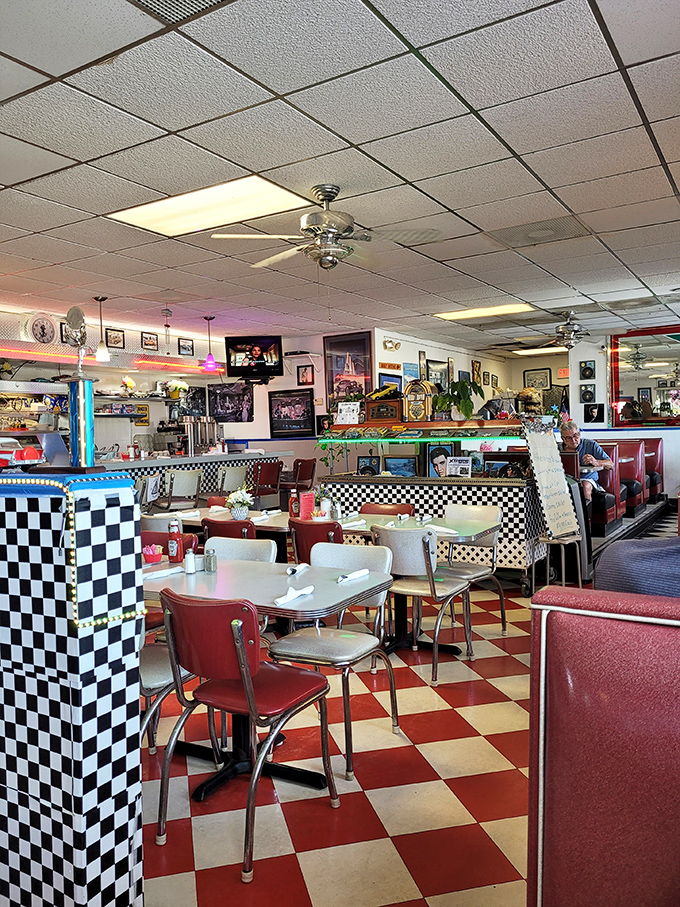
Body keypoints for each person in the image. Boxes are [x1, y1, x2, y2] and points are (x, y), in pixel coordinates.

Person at [559, 420, 613, 502]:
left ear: (579, 434)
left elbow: (611, 464)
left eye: (575, 436)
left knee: (585, 486)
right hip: (564, 479)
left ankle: (586, 514)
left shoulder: (591, 445)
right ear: (563, 439)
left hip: (586, 478)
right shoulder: (557, 449)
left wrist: (596, 462)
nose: (573, 440)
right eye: (569, 438)